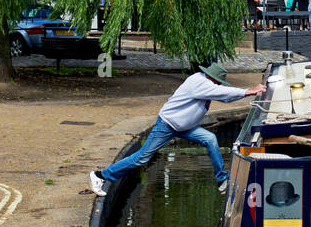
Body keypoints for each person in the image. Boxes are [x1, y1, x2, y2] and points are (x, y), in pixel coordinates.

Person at [89, 63, 264, 197]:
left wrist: (248, 94)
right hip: (167, 125)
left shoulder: (207, 84)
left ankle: (221, 180)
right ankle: (100, 176)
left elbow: (225, 97)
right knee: (141, 158)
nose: (219, 84)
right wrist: (248, 91)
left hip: (184, 127)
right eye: (219, 81)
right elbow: (222, 92)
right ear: (212, 78)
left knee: (210, 139)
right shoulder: (199, 82)